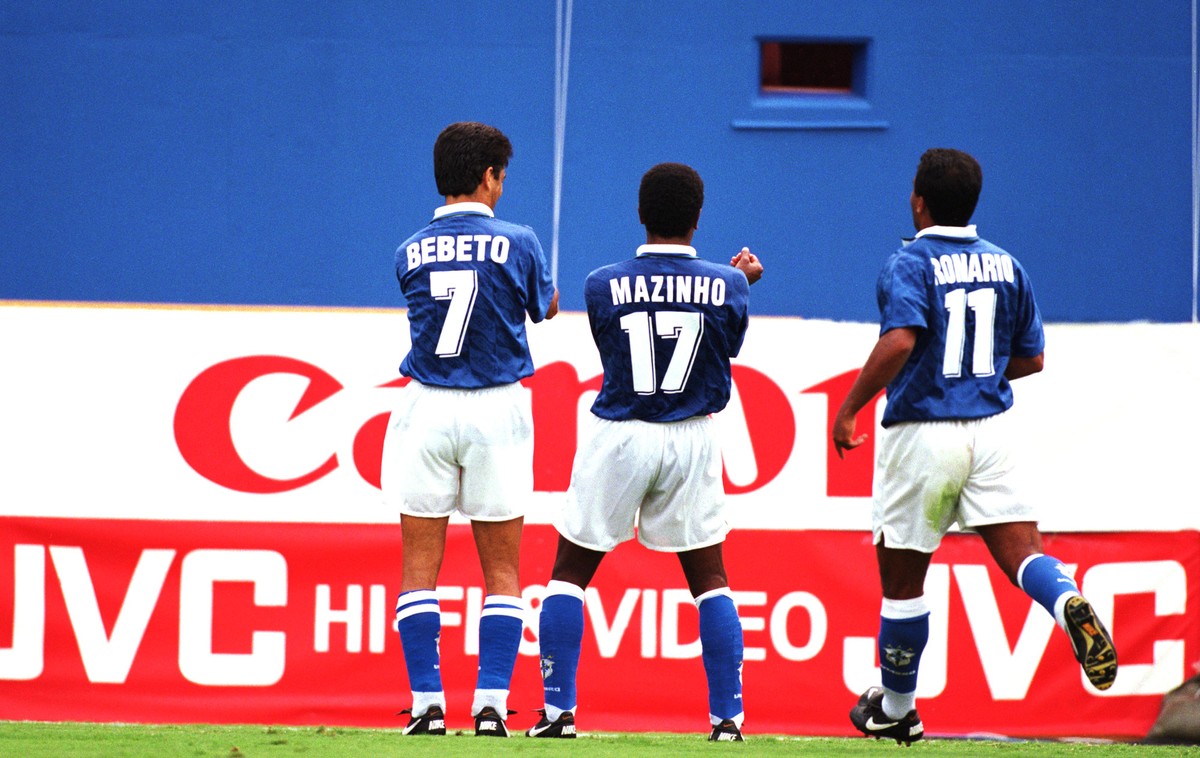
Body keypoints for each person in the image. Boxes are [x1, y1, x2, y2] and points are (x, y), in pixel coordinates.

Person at [832, 148, 1117, 745]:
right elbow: (1033, 357)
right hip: (993, 431)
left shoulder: (909, 262)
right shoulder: (1007, 265)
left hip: (923, 433)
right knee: (1023, 554)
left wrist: (852, 406)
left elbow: (902, 340)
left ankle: (898, 708)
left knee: (904, 582)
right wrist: (979, 374)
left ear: (918, 201)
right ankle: (1066, 600)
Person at [526, 162, 763, 742]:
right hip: (693, 435)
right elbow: (723, 343)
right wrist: (740, 285)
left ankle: (558, 715)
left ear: (640, 213)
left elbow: (616, 346)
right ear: (698, 217)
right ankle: (727, 720)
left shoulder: (600, 281)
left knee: (568, 577)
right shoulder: (728, 284)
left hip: (622, 431)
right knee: (711, 580)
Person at [380, 121, 559, 738]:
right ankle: (490, 705)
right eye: (501, 176)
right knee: (503, 570)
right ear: (488, 176)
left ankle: (427, 706)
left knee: (418, 570)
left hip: (425, 406)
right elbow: (544, 306)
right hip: (496, 408)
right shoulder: (520, 240)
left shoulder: (407, 249)